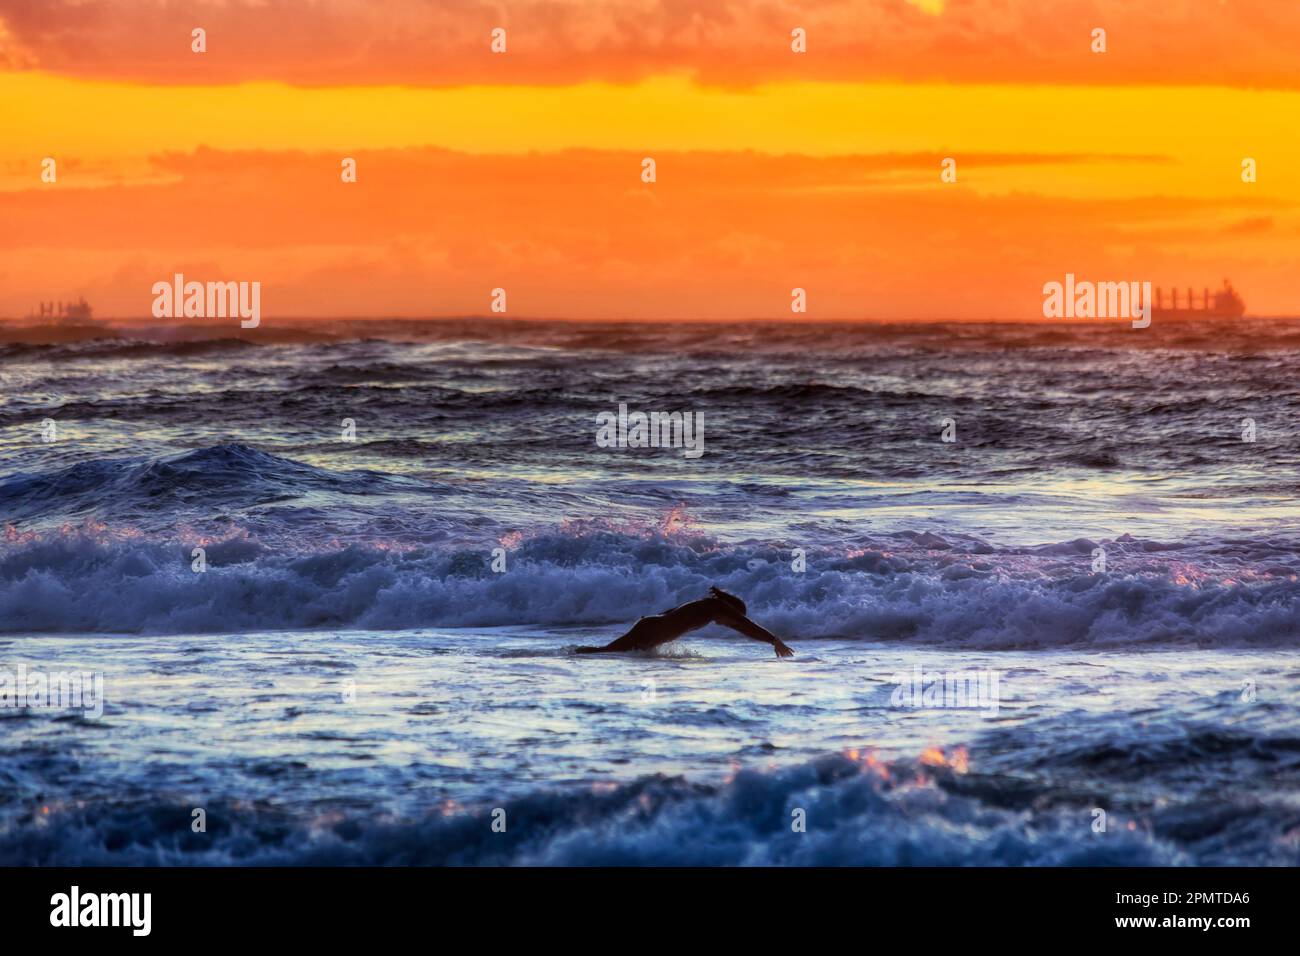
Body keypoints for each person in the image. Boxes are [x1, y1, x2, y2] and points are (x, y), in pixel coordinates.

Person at [575, 586, 794, 658]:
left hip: (650, 627)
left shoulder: (704, 607)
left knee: (608, 652)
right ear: (731, 610)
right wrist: (773, 640)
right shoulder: (715, 608)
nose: (728, 624)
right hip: (650, 630)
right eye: (733, 618)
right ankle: (575, 653)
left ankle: (576, 652)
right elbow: (746, 627)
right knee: (606, 653)